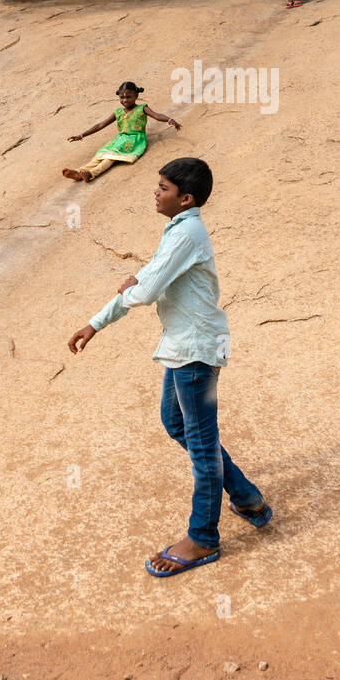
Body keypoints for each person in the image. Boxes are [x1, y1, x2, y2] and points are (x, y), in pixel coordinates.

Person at [67, 157, 270, 575]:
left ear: (186, 198)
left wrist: (132, 287)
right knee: (176, 424)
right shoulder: (178, 230)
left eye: (163, 188)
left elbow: (144, 289)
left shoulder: (187, 233)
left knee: (200, 446)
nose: (155, 193)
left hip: (194, 352)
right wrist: (95, 323)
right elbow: (147, 278)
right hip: (184, 348)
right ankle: (246, 496)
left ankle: (203, 539)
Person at [62, 81, 181, 183]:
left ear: (136, 95)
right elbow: (100, 125)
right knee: (100, 156)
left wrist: (169, 120)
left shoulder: (142, 108)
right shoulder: (118, 112)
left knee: (110, 158)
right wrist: (81, 135)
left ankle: (92, 173)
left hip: (134, 140)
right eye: (122, 97)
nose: (124, 100)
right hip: (120, 140)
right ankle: (78, 172)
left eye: (128, 97)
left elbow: (157, 115)